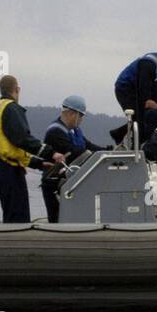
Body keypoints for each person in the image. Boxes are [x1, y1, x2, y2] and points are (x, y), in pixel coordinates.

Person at [0, 75, 66, 223]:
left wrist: (39, 163)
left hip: (1, 168)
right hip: (11, 172)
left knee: (10, 216)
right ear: (17, 90)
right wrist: (52, 153)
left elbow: (11, 148)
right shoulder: (12, 109)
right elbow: (23, 139)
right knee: (19, 218)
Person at [40, 95, 106, 223]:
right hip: (55, 186)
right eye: (80, 116)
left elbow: (89, 145)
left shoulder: (74, 131)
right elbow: (76, 152)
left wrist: (108, 150)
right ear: (71, 114)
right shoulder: (55, 132)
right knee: (58, 221)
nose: (81, 119)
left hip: (71, 184)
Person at [113, 42, 157, 142]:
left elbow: (155, 91)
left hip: (134, 88)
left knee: (146, 116)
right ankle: (136, 144)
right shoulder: (148, 64)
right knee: (139, 117)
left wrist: (156, 109)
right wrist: (150, 108)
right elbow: (143, 91)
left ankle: (119, 134)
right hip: (125, 89)